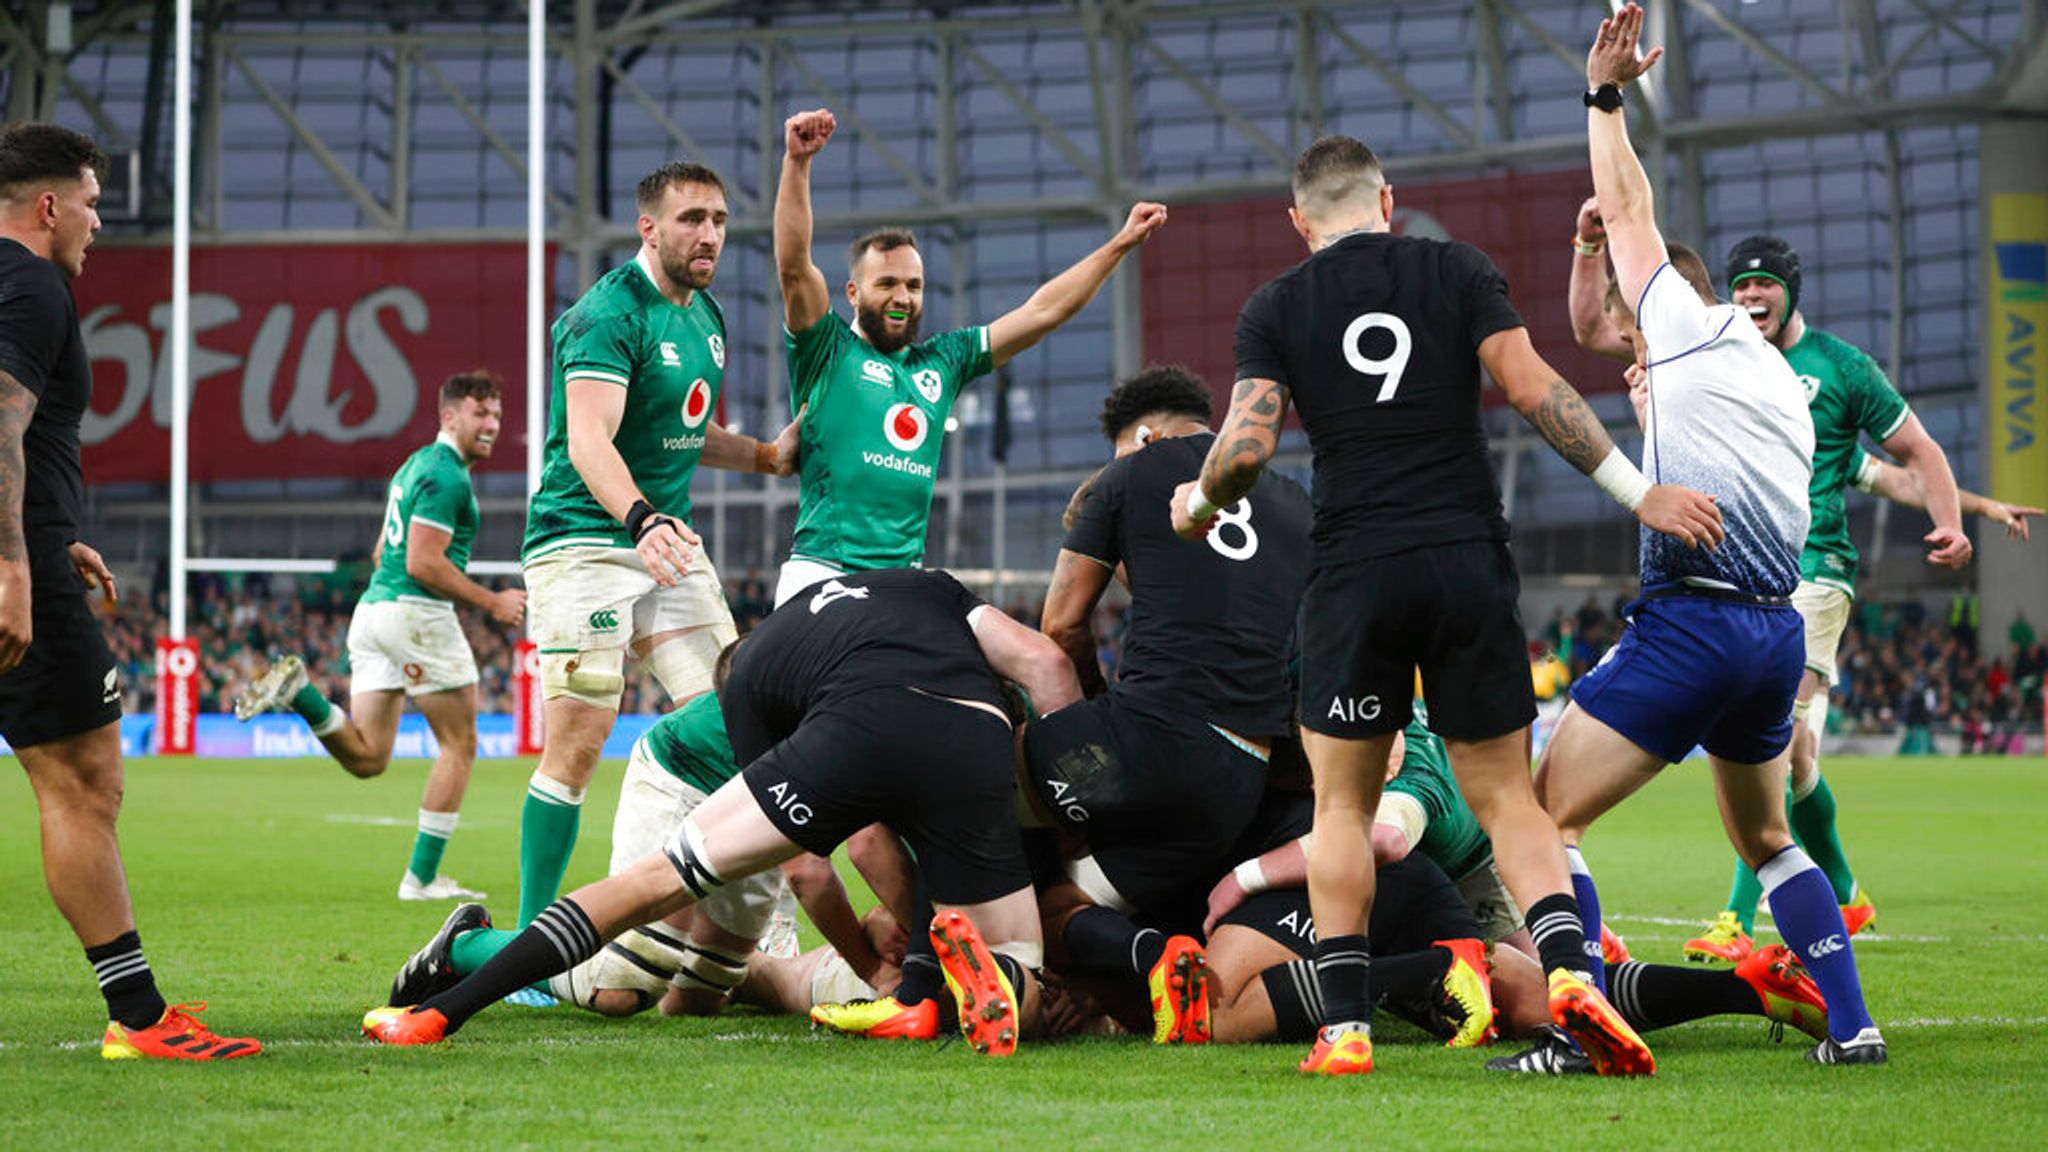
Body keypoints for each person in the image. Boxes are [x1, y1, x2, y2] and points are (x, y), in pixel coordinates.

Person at [1168, 127, 1721, 1075]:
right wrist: (1642, 494)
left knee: (1340, 809)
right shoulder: (1457, 267)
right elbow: (1534, 385)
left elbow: (1248, 446)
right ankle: (1571, 980)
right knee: (1509, 799)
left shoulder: (1275, 305)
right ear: (1386, 203)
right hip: (1466, 555)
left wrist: (1197, 499)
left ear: (1300, 222)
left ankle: (1342, 1030)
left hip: (1354, 573)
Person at [1532, 3, 1882, 1067]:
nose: (1628, 339)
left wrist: (1603, 97)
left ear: (1667, 302)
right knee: (1764, 838)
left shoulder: (1683, 324)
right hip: (1770, 636)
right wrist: (1594, 250)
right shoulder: (1777, 379)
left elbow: (1629, 201)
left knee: (1543, 824)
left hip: (1690, 623)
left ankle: (1580, 1020)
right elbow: (1599, 318)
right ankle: (1853, 1024)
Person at [361, 568, 1082, 1057]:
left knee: (650, 889)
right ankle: (950, 996)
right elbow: (1046, 664)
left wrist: (875, 965)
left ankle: (441, 1014)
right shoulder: (925, 586)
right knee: (630, 984)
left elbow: (823, 850)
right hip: (964, 731)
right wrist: (1075, 815)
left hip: (845, 739)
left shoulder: (761, 673)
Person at [1573, 202, 1972, 969]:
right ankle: (1845, 892)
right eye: (1742, 283)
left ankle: (1732, 918)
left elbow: (1904, 459)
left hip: (1809, 574)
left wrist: (1956, 516)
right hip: (1745, 590)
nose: (1753, 295)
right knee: (1793, 763)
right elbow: (1600, 329)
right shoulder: (1725, 361)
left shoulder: (1837, 369)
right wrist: (1587, 248)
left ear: (1791, 291)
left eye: (1767, 284)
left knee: (1777, 754)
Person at [0, 122, 258, 1060]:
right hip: (11, 558)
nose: (99, 223)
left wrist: (56, 539)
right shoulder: (31, 284)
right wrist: (16, 562)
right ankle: (140, 1018)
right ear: (49, 205)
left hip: (35, 542)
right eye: (94, 202)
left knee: (75, 782)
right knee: (82, 783)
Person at [513, 161, 798, 929]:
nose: (708, 234)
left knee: (735, 720)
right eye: (690, 219)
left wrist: (764, 457)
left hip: (665, 545)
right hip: (584, 542)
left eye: (717, 219)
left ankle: (744, 932)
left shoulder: (706, 318)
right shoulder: (607, 313)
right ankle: (528, 945)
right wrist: (642, 518)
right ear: (649, 227)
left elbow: (684, 432)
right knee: (580, 738)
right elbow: (588, 439)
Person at [771, 108, 1166, 605]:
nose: (902, 297)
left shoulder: (944, 360)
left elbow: (1042, 312)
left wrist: (1120, 243)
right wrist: (797, 163)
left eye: (914, 286)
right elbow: (792, 265)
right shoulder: (826, 348)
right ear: (852, 291)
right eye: (887, 283)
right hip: (821, 571)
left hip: (903, 580)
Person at [1026, 364, 1312, 1044]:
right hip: (1242, 778)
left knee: (966, 775)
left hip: (1147, 739)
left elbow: (1060, 627)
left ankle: (917, 979)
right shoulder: (1299, 506)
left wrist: (1090, 714)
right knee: (1076, 898)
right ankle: (1132, 974)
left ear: (1145, 436)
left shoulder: (1130, 474)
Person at [383, 684, 893, 1020]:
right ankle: (465, 945)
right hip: (690, 772)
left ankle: (733, 967)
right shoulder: (901, 718)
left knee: (696, 1001)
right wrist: (876, 968)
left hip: (759, 787)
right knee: (623, 985)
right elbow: (813, 870)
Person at [236, 371, 526, 901]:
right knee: (459, 746)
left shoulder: (413, 467)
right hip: (415, 613)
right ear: (450, 416)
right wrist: (492, 602)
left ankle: (300, 693)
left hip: (374, 611)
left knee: (370, 759)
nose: (491, 426)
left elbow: (381, 555)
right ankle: (421, 879)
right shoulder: (448, 477)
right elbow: (421, 562)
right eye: (480, 414)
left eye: (497, 416)